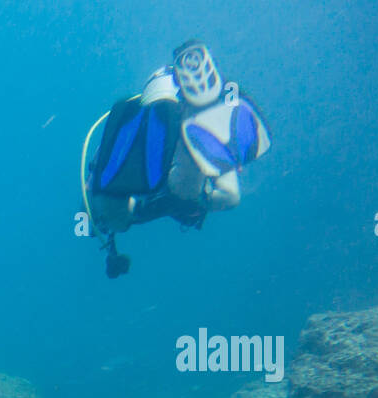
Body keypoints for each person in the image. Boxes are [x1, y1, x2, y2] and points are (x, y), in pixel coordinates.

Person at [82, 40, 271, 278]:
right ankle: (187, 165)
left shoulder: (132, 128)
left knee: (118, 214)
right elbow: (230, 195)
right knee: (205, 188)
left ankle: (182, 170)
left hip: (153, 193)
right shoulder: (146, 130)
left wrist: (91, 223)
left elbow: (96, 188)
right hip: (182, 187)